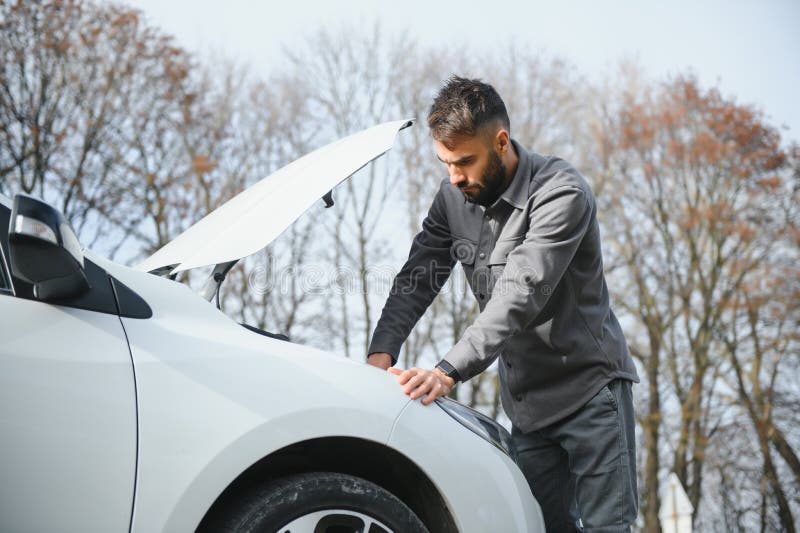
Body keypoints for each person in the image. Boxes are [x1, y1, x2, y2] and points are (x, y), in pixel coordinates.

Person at [367, 76, 639, 532]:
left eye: (465, 162)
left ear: (500, 141)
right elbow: (418, 277)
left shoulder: (560, 191)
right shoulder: (452, 198)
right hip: (528, 412)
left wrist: (446, 369)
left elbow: (521, 291)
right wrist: (380, 354)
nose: (455, 176)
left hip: (591, 394)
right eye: (446, 163)